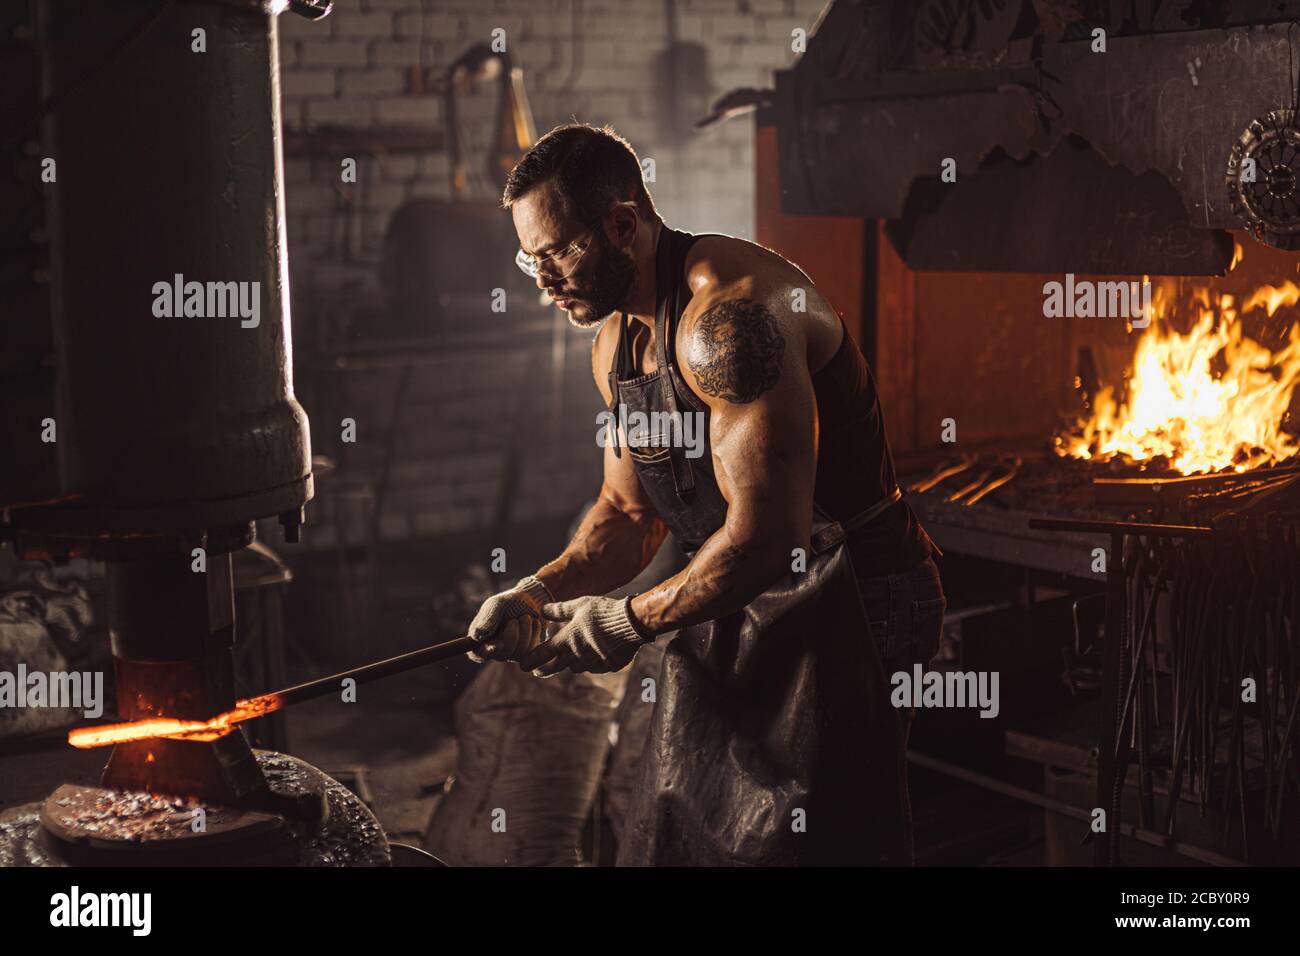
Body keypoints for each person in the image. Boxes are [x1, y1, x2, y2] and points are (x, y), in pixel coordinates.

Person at [468, 123, 944, 865]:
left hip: (854, 601)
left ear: (622, 225)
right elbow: (627, 517)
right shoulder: (614, 343)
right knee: (685, 832)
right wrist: (539, 589)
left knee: (822, 848)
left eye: (558, 251)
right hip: (741, 603)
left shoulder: (730, 321)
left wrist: (622, 621)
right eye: (530, 258)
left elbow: (769, 538)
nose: (543, 280)